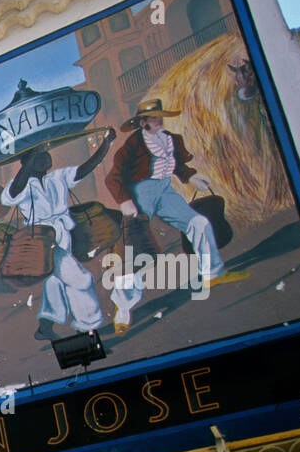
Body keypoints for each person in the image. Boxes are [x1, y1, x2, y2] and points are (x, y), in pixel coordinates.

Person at [105, 98, 246, 321]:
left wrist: (191, 176)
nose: (158, 121)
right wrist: (125, 201)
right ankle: (122, 308)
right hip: (140, 192)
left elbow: (177, 165)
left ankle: (213, 273)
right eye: (153, 118)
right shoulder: (133, 145)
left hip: (164, 189)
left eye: (160, 116)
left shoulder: (171, 139)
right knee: (138, 251)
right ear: (143, 123)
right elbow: (112, 177)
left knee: (198, 223)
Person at [2, 129, 117, 340]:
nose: (47, 157)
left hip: (63, 233)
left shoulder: (57, 177)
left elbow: (85, 168)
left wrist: (106, 144)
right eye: (40, 155)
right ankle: (87, 327)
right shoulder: (23, 185)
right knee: (81, 280)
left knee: (55, 281)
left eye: (46, 153)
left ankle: (45, 325)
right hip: (41, 241)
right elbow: (10, 196)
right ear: (29, 162)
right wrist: (28, 162)